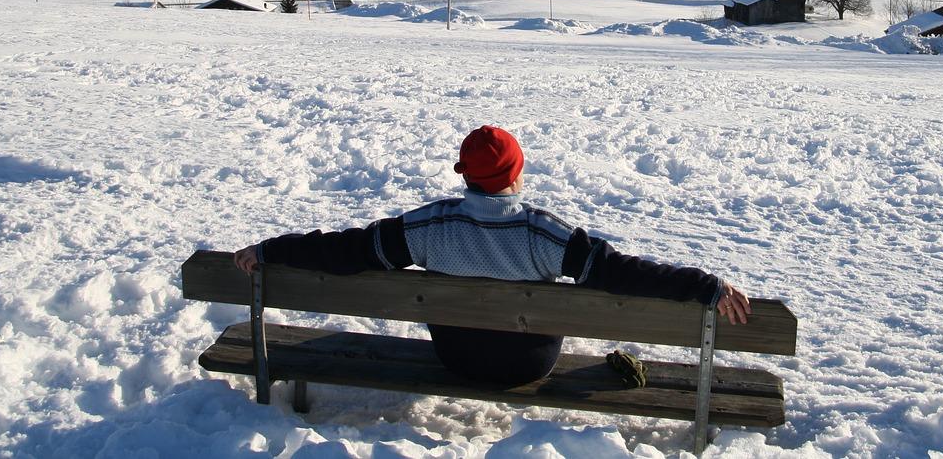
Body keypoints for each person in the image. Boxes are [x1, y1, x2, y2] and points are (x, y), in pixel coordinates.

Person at [234, 125, 751, 385]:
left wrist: (270, 249)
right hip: (529, 364)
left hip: (456, 359)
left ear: (465, 174)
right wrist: (707, 285)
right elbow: (622, 274)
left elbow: (345, 251)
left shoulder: (427, 226)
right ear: (516, 175)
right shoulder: (543, 234)